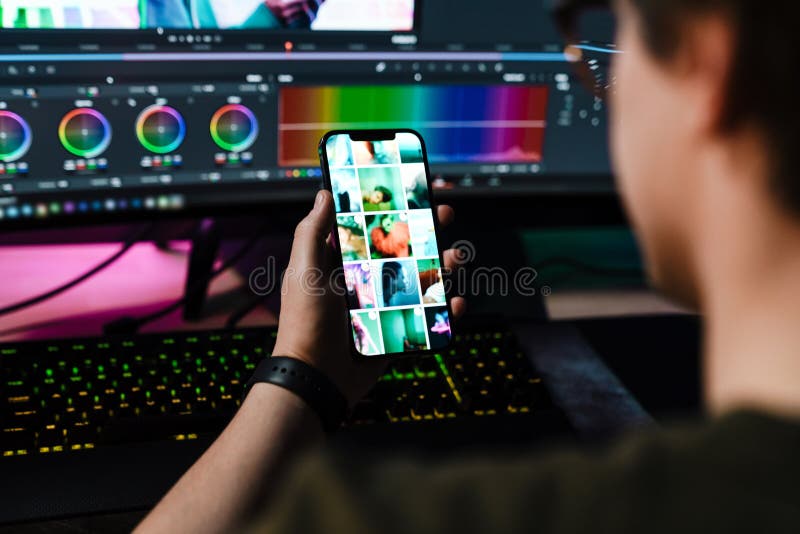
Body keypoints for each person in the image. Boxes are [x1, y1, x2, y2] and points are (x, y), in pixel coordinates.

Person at [137, 0, 800, 532]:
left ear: (710, 66)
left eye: (608, 36)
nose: (600, 82)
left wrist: (300, 375)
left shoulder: (390, 516)